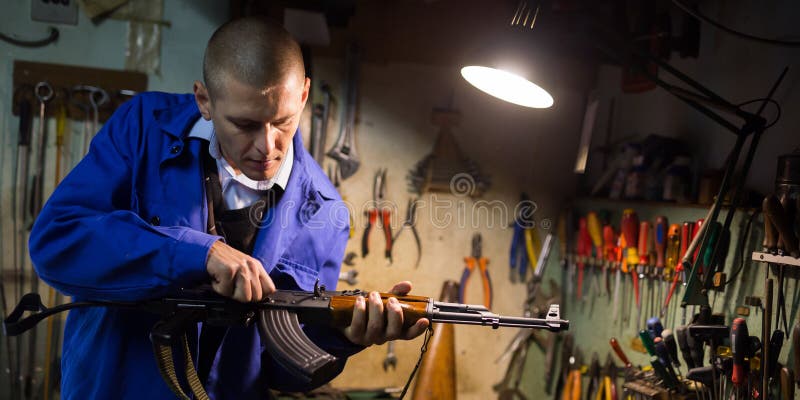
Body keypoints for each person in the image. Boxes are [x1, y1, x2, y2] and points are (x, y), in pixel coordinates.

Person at [29, 16, 428, 399]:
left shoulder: (325, 214)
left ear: (304, 94)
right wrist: (197, 252)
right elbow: (57, 241)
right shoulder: (144, 128)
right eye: (246, 125)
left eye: (283, 122)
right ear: (204, 100)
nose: (267, 147)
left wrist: (342, 338)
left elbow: (279, 371)